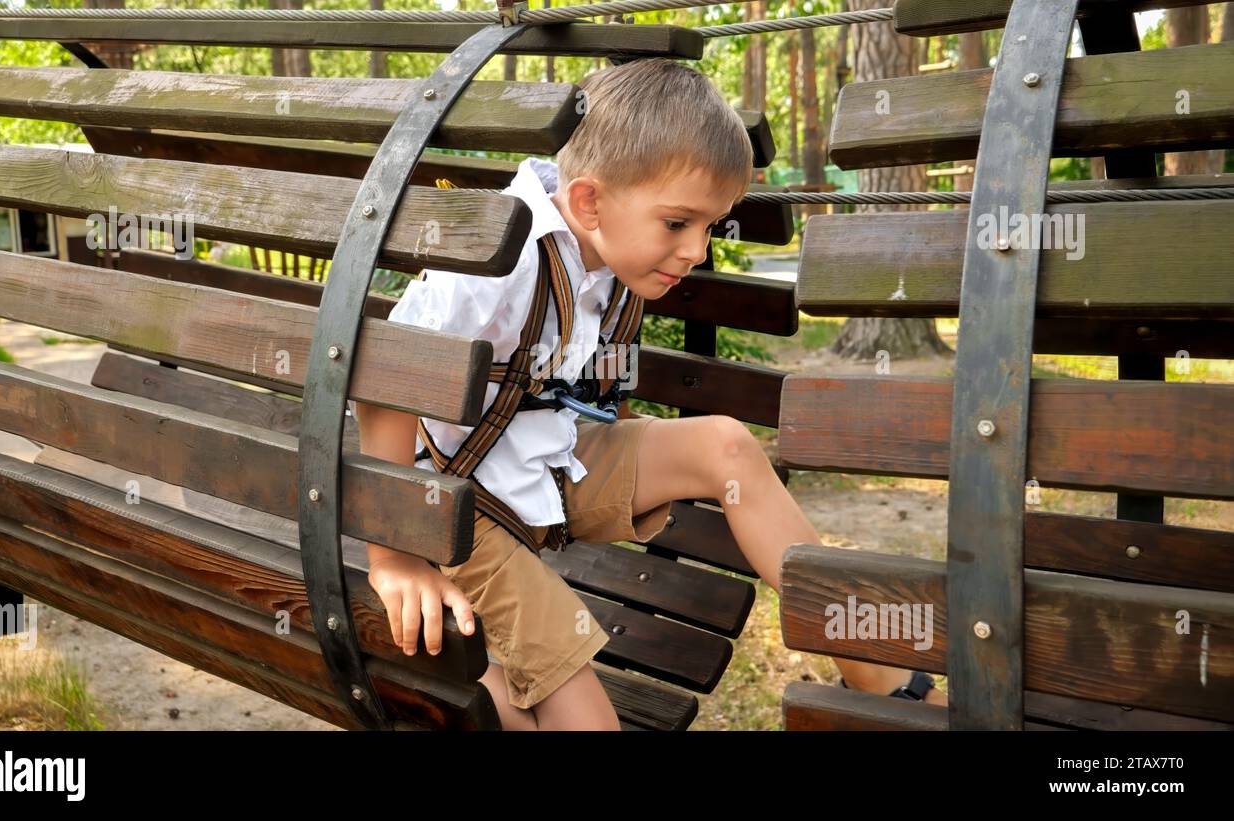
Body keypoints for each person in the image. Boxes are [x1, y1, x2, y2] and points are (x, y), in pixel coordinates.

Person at [355, 58, 943, 731]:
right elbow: (382, 378)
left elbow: (590, 385)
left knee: (724, 445)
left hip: (542, 462)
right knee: (580, 711)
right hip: (452, 502)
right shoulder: (502, 254)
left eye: (710, 227)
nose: (695, 249)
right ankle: (477, 670)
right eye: (677, 224)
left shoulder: (608, 256)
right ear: (589, 201)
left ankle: (890, 685)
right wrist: (395, 556)